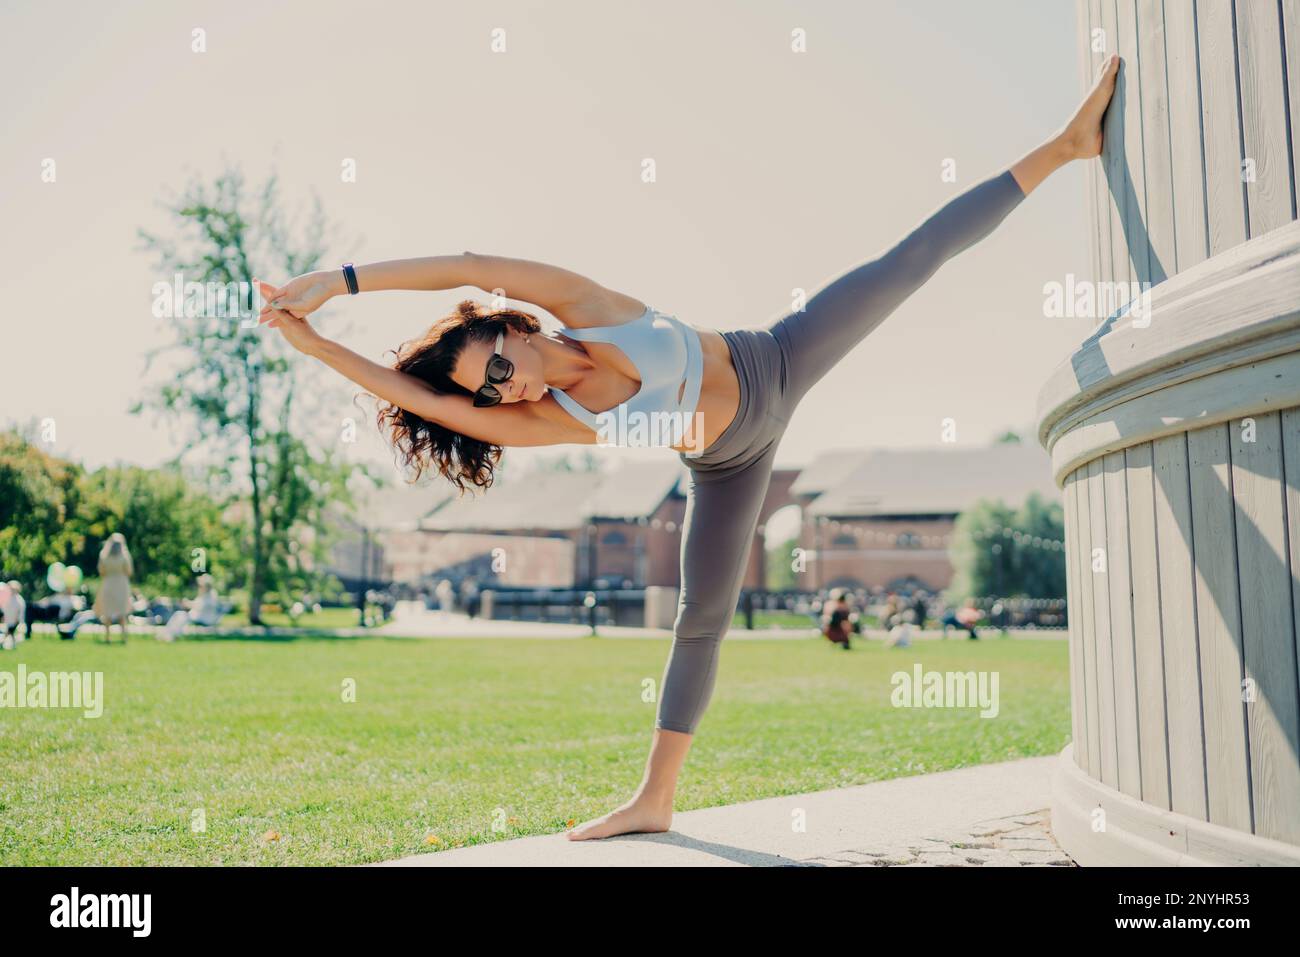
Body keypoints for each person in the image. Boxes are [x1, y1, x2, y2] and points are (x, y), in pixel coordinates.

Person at [253, 53, 1119, 841]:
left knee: (912, 259)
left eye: (497, 367)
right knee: (701, 618)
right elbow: (411, 395)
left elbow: (468, 261)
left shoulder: (585, 305)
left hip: (775, 359)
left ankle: (1065, 145)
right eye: (485, 392)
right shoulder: (552, 417)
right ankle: (655, 797)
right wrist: (316, 348)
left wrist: (340, 282)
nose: (500, 390)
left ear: (513, 324)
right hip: (729, 463)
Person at [60, 533, 135, 642]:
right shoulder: (125, 556)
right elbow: (129, 571)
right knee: (121, 613)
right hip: (121, 586)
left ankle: (108, 637)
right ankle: (124, 637)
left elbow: (101, 571)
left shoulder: (104, 555)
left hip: (108, 585)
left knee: (108, 612)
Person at [160, 574, 222, 641]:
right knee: (178, 614)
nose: (199, 587)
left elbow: (200, 606)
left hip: (204, 619)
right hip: (198, 616)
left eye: (201, 586)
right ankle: (168, 633)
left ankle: (172, 635)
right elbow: (197, 604)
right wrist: (187, 603)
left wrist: (187, 603)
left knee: (181, 615)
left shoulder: (211, 595)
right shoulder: (204, 594)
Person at [1, 581, 25, 649]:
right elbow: (4, 608)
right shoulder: (8, 598)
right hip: (8, 619)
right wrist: (3, 616)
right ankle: (9, 644)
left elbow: (20, 611)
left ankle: (5, 644)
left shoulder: (19, 599)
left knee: (9, 632)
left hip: (15, 620)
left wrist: (18, 619)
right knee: (9, 633)